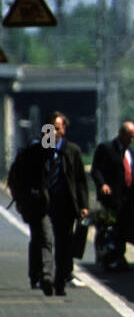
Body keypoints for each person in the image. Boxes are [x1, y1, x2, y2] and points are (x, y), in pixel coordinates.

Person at [7, 112, 89, 295]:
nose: (53, 133)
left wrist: (84, 205)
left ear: (64, 130)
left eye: (57, 129)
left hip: (65, 204)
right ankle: (44, 276)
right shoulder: (36, 151)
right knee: (44, 238)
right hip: (41, 204)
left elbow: (80, 180)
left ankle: (61, 278)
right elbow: (17, 175)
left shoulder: (72, 151)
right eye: (50, 129)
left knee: (64, 242)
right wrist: (22, 199)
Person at [91, 121, 134, 271]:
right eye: (130, 136)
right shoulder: (106, 148)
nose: (131, 140)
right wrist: (102, 184)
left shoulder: (129, 152)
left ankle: (120, 257)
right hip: (111, 197)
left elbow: (129, 174)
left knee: (123, 229)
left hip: (126, 199)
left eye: (133, 137)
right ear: (121, 134)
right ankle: (106, 256)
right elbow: (96, 169)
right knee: (110, 228)